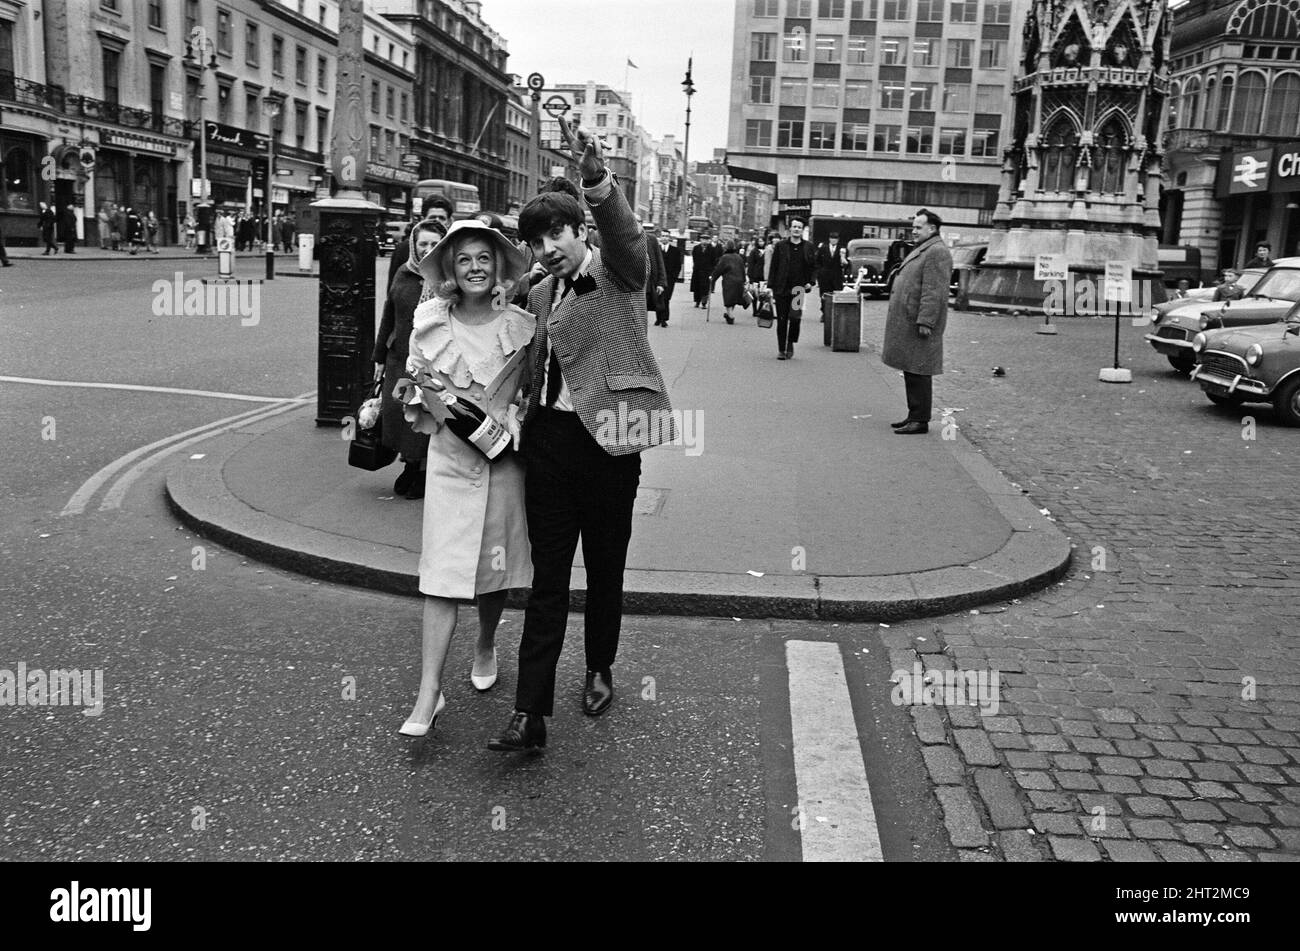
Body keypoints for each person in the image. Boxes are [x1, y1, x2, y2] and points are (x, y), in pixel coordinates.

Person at [489, 118, 675, 753]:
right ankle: (528, 713)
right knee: (547, 580)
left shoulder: (622, 272)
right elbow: (492, 312)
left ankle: (600, 666)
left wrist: (596, 177)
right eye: (536, 241)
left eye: (556, 236)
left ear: (579, 230)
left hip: (612, 443)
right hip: (551, 446)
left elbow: (625, 235)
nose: (547, 249)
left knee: (605, 568)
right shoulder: (540, 290)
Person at [396, 218, 535, 737]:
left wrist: (517, 416)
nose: (474, 268)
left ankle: (485, 642)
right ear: (450, 271)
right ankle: (429, 692)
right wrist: (418, 395)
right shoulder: (428, 324)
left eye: (483, 258)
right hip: (451, 463)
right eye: (463, 260)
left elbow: (530, 394)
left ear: (498, 266)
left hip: (503, 465)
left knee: (492, 569)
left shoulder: (521, 326)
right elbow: (413, 386)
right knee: (440, 575)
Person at [375, 219, 447, 502]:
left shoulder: (446, 278)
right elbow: (388, 312)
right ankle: (410, 465)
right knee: (400, 413)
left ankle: (424, 473)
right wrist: (379, 355)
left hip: (432, 361)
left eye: (434, 244)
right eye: (423, 244)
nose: (429, 249)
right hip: (399, 357)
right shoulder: (404, 272)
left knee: (425, 414)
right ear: (414, 247)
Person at [881, 209, 952, 435]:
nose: (913, 231)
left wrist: (926, 321)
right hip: (911, 320)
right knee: (912, 369)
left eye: (918, 227)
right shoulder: (926, 249)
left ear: (931, 229)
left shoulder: (936, 252)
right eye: (913, 227)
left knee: (919, 369)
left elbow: (934, 291)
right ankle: (914, 415)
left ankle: (920, 419)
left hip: (919, 323)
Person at [767, 217, 816, 360]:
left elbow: (814, 267)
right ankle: (781, 349)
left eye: (799, 227)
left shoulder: (808, 247)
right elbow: (774, 267)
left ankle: (790, 342)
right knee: (782, 320)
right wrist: (770, 287)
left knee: (795, 318)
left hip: (798, 290)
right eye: (794, 227)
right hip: (781, 289)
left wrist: (811, 282)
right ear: (790, 229)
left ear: (803, 230)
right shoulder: (781, 246)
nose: (796, 229)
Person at [388, 195, 454, 290]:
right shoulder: (403, 250)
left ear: (448, 221)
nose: (437, 221)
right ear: (423, 219)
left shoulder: (454, 249)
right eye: (432, 217)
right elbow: (393, 289)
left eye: (442, 218)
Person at [710, 240, 747, 324]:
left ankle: (731, 317)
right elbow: (743, 269)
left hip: (729, 281)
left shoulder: (725, 257)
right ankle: (728, 314)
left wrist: (713, 278)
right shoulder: (739, 257)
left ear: (726, 247)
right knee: (733, 299)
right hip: (739, 281)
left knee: (728, 299)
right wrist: (744, 280)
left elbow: (719, 269)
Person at [815, 234, 845, 320]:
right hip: (824, 276)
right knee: (824, 295)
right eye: (832, 238)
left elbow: (846, 263)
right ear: (829, 239)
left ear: (838, 240)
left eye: (835, 239)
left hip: (837, 276)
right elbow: (817, 261)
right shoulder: (823, 248)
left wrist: (843, 262)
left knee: (836, 295)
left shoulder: (842, 249)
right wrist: (820, 272)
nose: (833, 240)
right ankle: (824, 313)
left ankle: (835, 314)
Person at [645, 224, 668, 327]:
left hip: (648, 284)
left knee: (642, 314)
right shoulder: (624, 238)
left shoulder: (651, 239)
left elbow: (659, 262)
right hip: (631, 284)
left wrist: (661, 283)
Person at [662, 234, 682, 324]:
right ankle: (659, 318)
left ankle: (664, 318)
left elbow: (678, 265)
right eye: (662, 235)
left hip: (670, 279)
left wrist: (674, 277)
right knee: (659, 298)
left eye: (666, 236)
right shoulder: (656, 249)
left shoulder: (675, 251)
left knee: (666, 298)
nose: (664, 237)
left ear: (669, 238)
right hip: (659, 278)